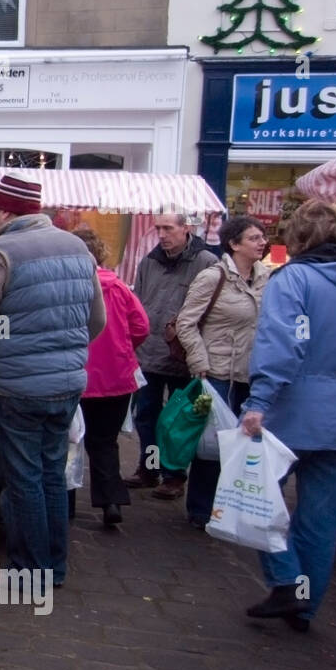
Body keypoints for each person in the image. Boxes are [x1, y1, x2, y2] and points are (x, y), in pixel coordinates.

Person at [0, 174, 105, 588]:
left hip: (16, 386)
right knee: (51, 474)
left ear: (5, 210)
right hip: (66, 383)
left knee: (22, 478)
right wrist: (64, 353)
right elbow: (98, 320)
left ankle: (30, 569)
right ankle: (54, 565)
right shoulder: (77, 247)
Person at [240, 200, 336, 631]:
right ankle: (304, 606)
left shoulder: (295, 280)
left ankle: (286, 580)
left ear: (299, 236)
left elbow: (282, 344)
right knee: (320, 524)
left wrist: (259, 402)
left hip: (291, 412)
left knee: (255, 497)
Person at [177, 216, 271, 530]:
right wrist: (199, 361)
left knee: (243, 443)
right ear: (234, 244)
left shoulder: (265, 278)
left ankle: (230, 505)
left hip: (252, 373)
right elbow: (185, 323)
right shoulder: (212, 277)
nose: (261, 242)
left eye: (262, 237)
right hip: (216, 371)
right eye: (254, 238)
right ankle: (201, 509)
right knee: (212, 444)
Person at [127, 211, 219, 499]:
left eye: (168, 228)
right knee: (148, 416)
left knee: (179, 421)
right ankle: (150, 467)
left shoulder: (206, 263)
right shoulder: (150, 261)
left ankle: (174, 475)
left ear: (186, 228)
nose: (162, 234)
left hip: (183, 356)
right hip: (150, 353)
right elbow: (139, 304)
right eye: (158, 229)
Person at [73, 227, 149, 530]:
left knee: (69, 441)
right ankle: (111, 501)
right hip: (117, 378)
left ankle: (63, 503)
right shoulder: (118, 287)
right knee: (105, 442)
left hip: (77, 375)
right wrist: (123, 348)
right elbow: (142, 326)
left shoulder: (73, 287)